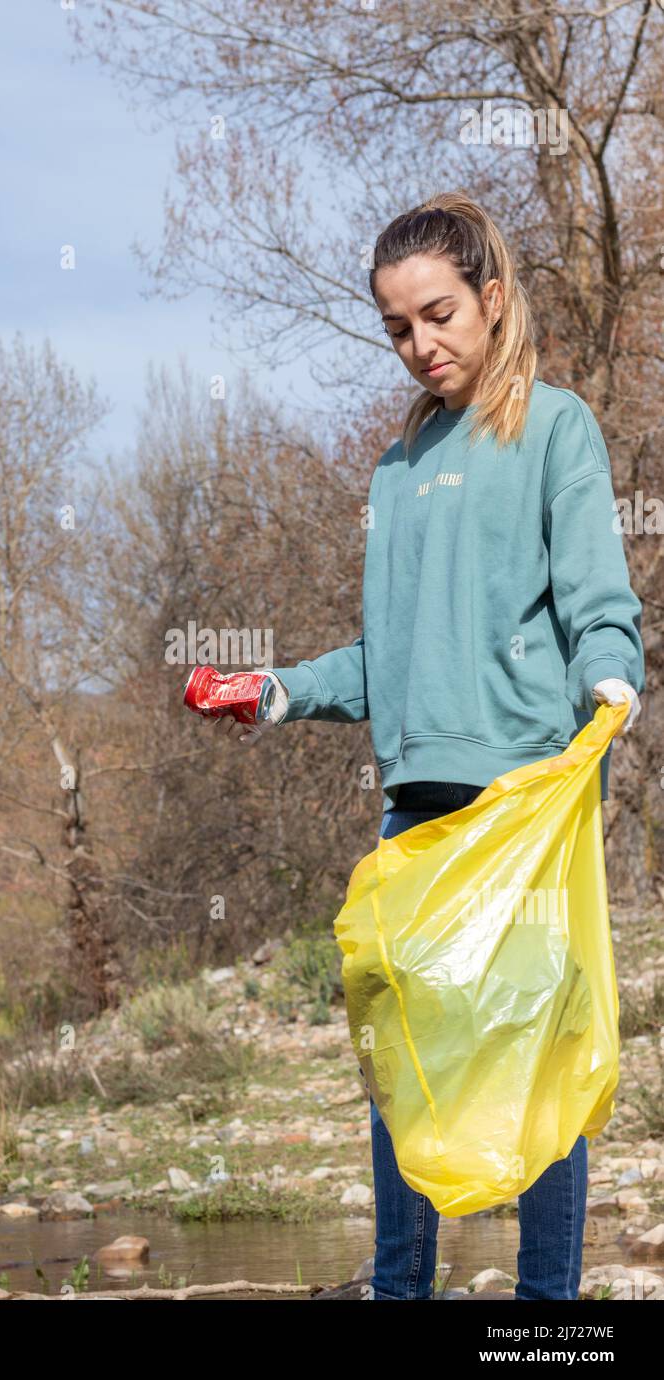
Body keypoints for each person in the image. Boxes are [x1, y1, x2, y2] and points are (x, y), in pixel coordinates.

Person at [184, 190, 645, 1300]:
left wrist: (609, 669)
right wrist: (281, 689)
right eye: (396, 327)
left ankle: (545, 1310)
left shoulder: (552, 426)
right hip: (414, 810)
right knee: (404, 1072)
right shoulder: (393, 473)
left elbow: (594, 590)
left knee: (528, 1065)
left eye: (436, 314)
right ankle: (400, 1290)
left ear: (490, 300)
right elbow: (387, 654)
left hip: (518, 804)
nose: (418, 343)